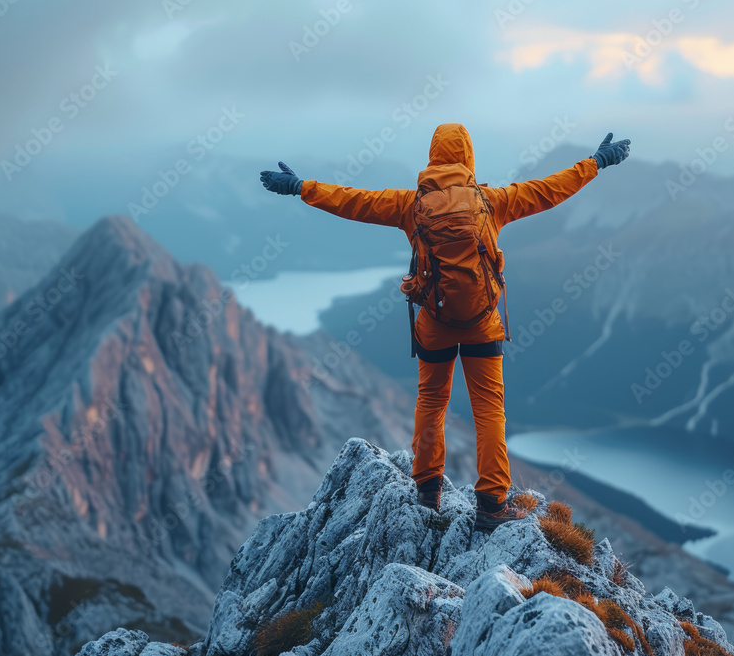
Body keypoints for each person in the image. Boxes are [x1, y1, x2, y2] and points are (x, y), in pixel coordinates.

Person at [261, 123, 630, 531]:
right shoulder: (494, 201)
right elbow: (550, 189)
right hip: (482, 324)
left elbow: (352, 201)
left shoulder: (410, 205)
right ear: (468, 157)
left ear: (433, 157)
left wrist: (300, 187)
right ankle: (491, 503)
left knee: (431, 402)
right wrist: (595, 163)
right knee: (489, 410)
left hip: (434, 323)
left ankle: (427, 491)